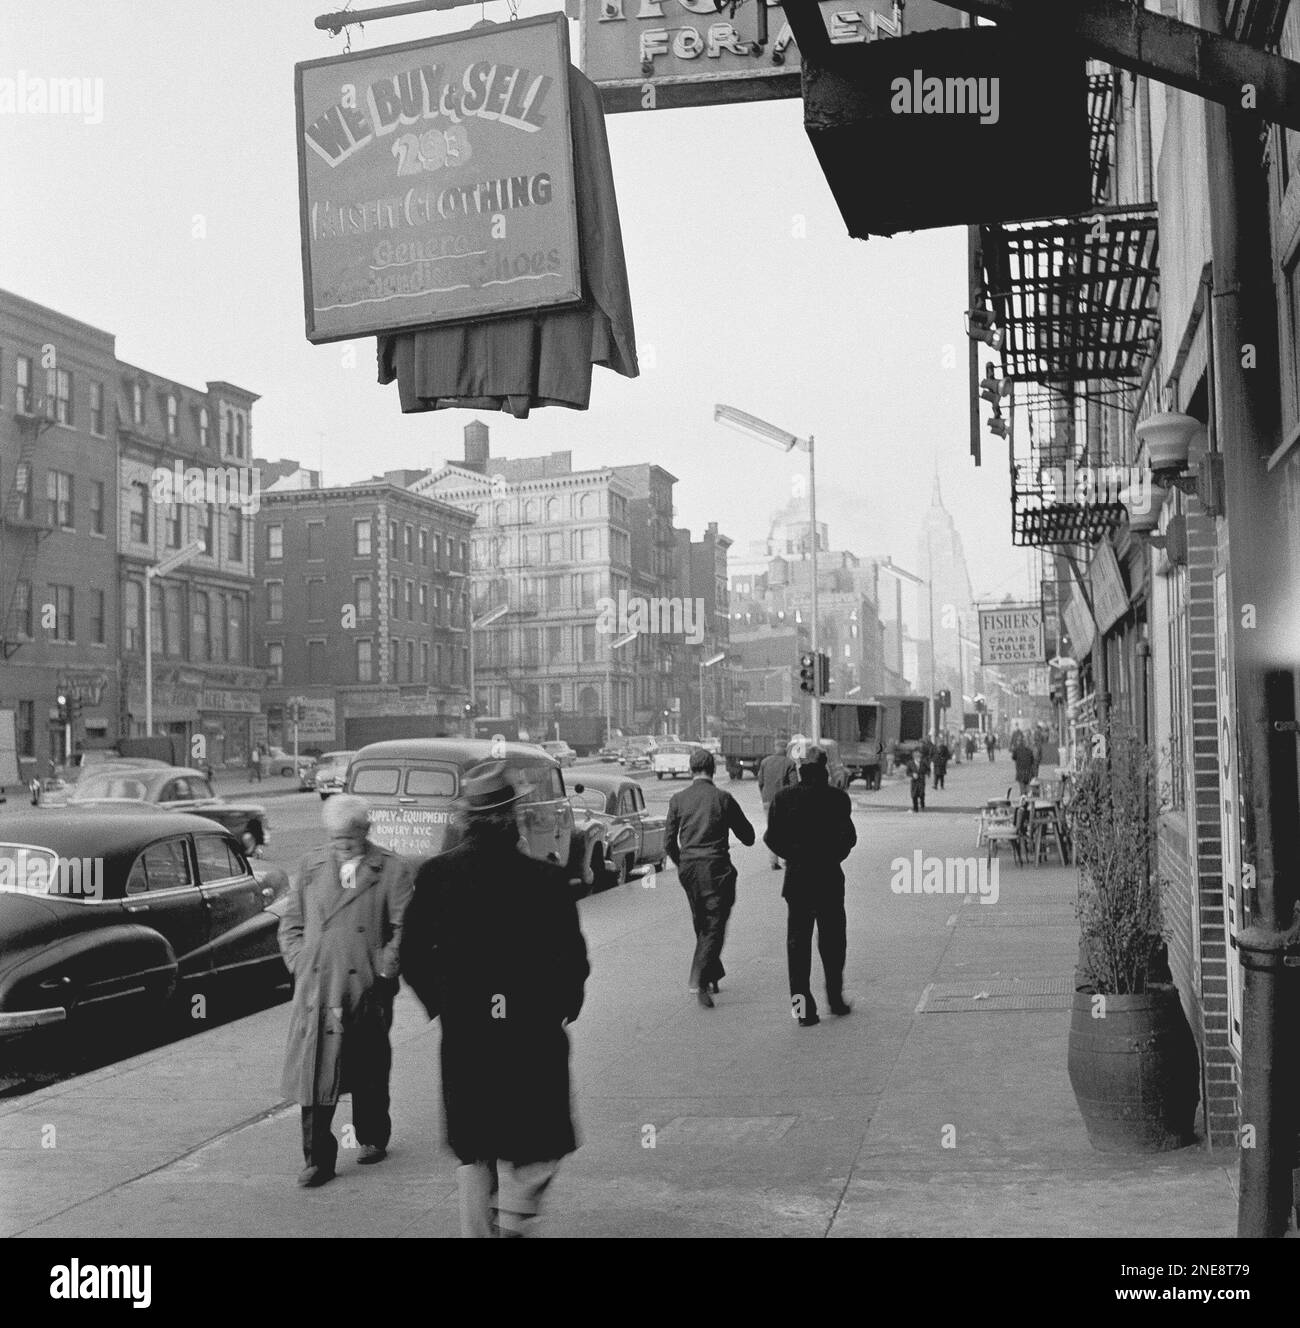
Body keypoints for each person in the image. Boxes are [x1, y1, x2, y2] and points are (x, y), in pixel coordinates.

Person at [400, 763, 589, 1239]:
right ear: (516, 817)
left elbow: (412, 954)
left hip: (468, 1033)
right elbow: (572, 958)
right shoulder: (544, 880)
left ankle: (480, 1232)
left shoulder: (437, 875)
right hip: (532, 1032)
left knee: (474, 1148)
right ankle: (517, 1215)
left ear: (466, 818)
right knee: (540, 1144)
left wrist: (443, 1004)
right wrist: (562, 1006)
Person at [278, 794, 414, 1188]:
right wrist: (298, 961)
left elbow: (404, 927)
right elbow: (291, 921)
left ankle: (371, 1136)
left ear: (366, 832)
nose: (343, 846)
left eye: (351, 838)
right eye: (337, 839)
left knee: (368, 1064)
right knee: (315, 1070)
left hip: (366, 986)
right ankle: (317, 1160)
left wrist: (384, 970)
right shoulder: (310, 865)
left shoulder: (390, 869)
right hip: (317, 986)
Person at [764, 745, 857, 1027]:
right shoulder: (838, 799)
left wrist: (794, 856)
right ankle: (835, 1000)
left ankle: (803, 1011)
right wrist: (830, 856)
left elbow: (772, 839)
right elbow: (849, 838)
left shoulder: (784, 798)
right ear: (825, 767)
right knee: (833, 943)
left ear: (800, 769)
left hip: (798, 880)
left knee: (798, 947)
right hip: (828, 877)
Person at [665, 746, 755, 1008]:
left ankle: (712, 973)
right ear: (713, 770)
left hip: (689, 868)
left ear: (691, 770)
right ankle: (701, 980)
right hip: (716, 868)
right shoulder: (722, 798)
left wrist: (682, 862)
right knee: (715, 924)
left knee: (701, 920)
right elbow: (748, 837)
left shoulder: (678, 799)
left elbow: (668, 842)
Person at [757, 737, 798, 870]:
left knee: (772, 829)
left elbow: (760, 782)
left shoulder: (765, 762)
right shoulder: (789, 763)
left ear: (775, 748)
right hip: (784, 802)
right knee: (787, 829)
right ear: (786, 750)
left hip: (768, 801)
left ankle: (773, 861)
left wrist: (764, 796)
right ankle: (786, 858)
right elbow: (794, 786)